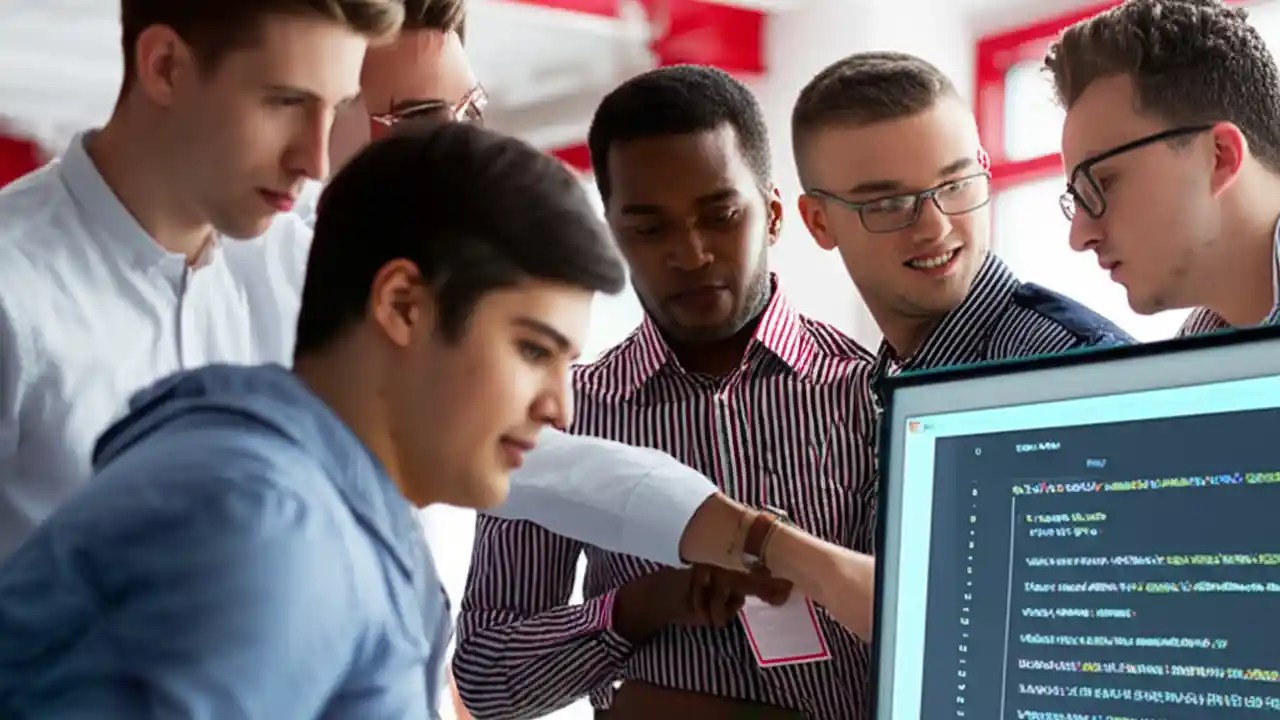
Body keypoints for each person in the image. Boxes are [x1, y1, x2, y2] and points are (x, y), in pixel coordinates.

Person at [0, 124, 877, 719]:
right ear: (404, 306)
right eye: (532, 349)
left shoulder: (354, 535)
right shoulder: (259, 530)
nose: (562, 404)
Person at [454, 65, 878, 720]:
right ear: (612, 234)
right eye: (651, 229)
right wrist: (639, 608)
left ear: (770, 214)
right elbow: (487, 682)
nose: (691, 252)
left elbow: (941, 638)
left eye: (720, 216)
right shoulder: (558, 421)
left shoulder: (873, 394)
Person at [0, 0, 403, 560]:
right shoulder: (12, 294)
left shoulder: (304, 276)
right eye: (285, 102)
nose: (316, 160)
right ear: (165, 66)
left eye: (337, 108)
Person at [791, 52, 1133, 403]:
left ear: (983, 169)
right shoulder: (864, 393)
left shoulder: (1081, 375)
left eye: (954, 186)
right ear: (819, 222)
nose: (935, 228)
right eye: (890, 204)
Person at [1045, 0, 1280, 337]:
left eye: (1105, 182)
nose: (1080, 236)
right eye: (1078, 198)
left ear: (1220, 156)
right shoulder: (1198, 363)